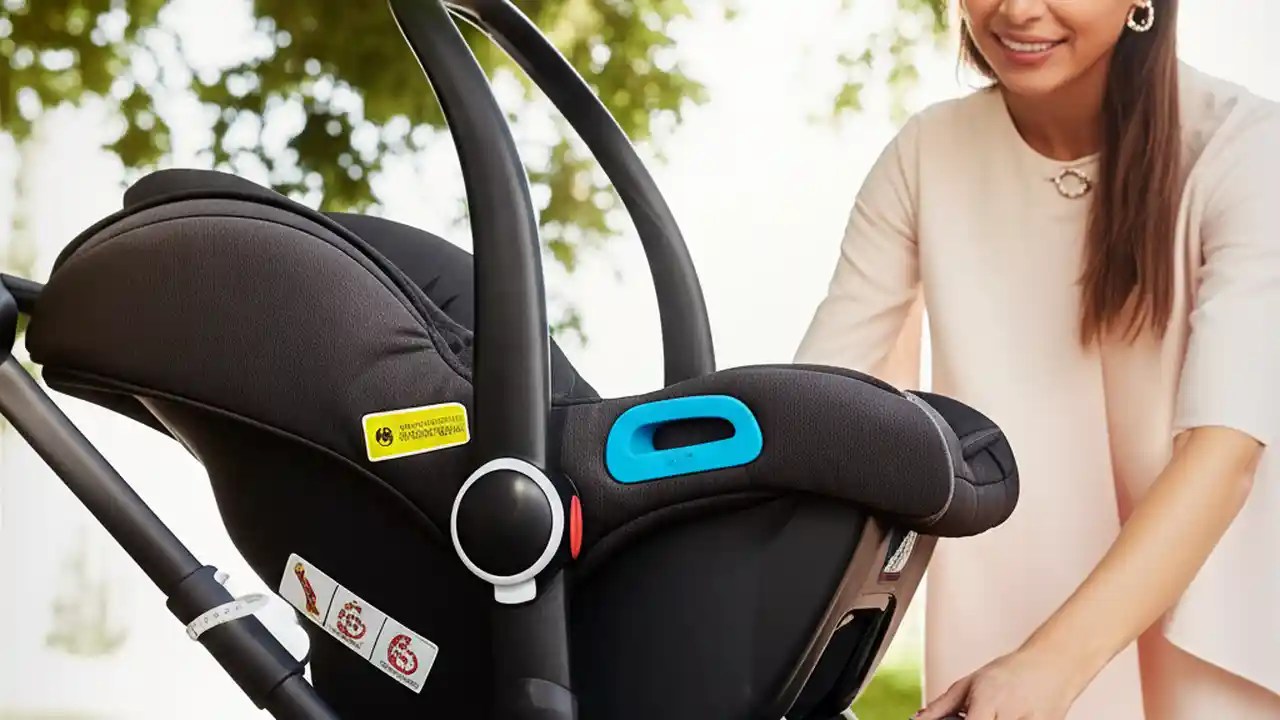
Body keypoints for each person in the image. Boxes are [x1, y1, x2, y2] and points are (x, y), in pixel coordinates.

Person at [793, 0, 1280, 718]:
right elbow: (820, 419)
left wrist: (1047, 668)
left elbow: (1226, 451)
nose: (1019, 9)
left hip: (1212, 654)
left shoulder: (1246, 150)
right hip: (999, 655)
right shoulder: (928, 155)